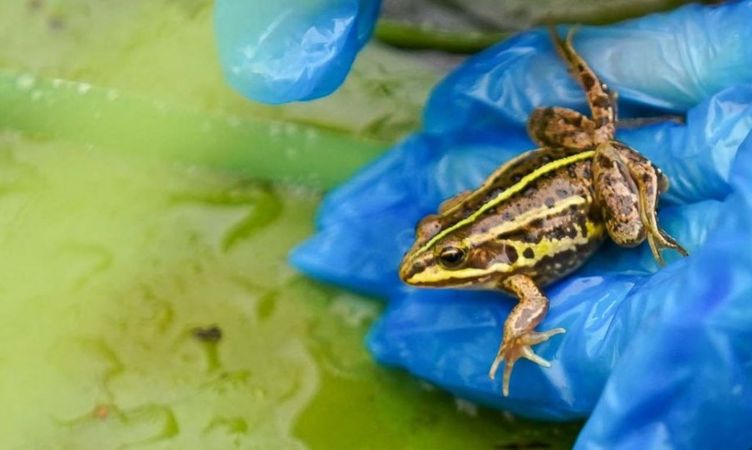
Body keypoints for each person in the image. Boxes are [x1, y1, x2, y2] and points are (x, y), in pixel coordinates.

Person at [217, 1, 752, 448]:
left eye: (447, 259)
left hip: (581, 185)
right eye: (434, 244)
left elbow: (534, 303)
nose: (424, 263)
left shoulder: (511, 275)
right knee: (547, 126)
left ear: (476, 258)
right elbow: (461, 213)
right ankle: (606, 129)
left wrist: (514, 339)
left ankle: (635, 169)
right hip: (561, 168)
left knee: (630, 234)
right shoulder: (487, 256)